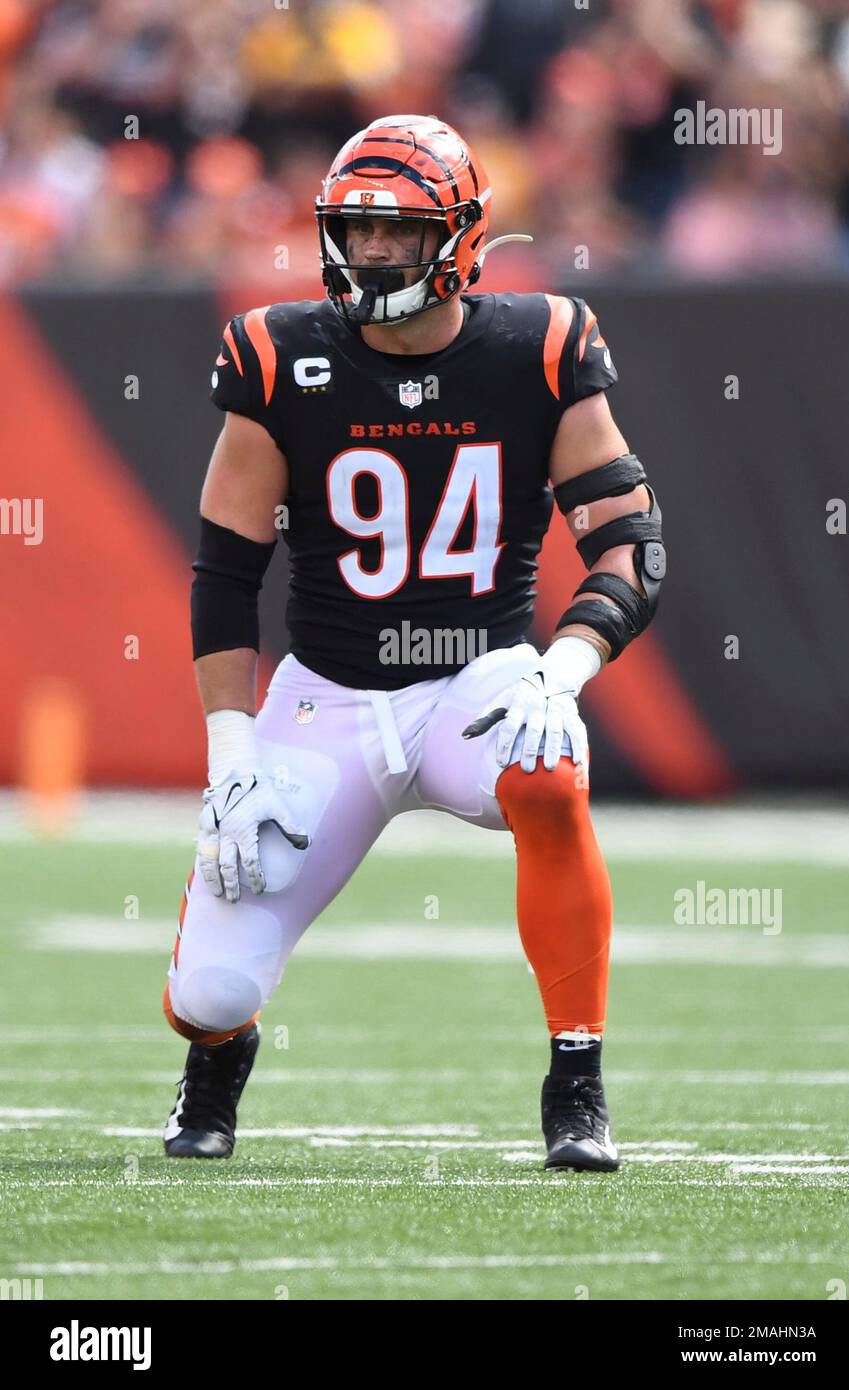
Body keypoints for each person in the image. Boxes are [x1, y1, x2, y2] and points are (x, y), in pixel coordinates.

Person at [162, 114, 665, 1172]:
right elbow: (224, 570)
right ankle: (220, 1057)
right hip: (325, 698)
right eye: (355, 230)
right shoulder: (274, 353)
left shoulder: (541, 345)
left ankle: (575, 1080)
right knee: (206, 993)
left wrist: (561, 670)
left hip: (474, 681)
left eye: (396, 231)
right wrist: (229, 747)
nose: (372, 252)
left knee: (545, 768)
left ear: (462, 235)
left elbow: (629, 548)